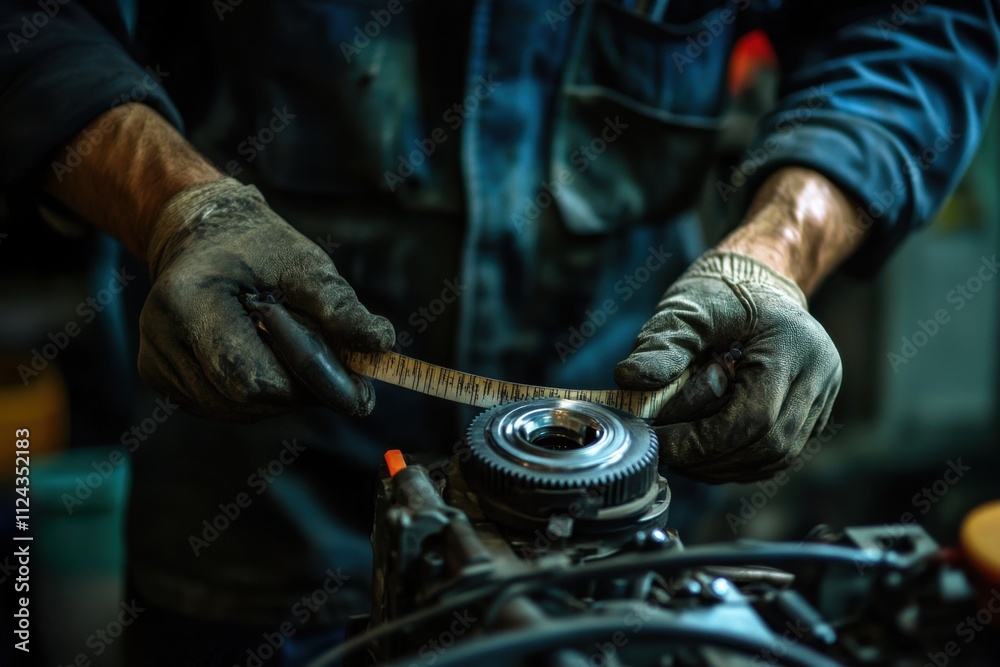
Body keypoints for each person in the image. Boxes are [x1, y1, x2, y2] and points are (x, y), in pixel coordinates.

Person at [2, 0, 997, 664]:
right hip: (257, 481)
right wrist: (177, 206)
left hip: (620, 514)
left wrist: (777, 256)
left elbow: (914, 20)